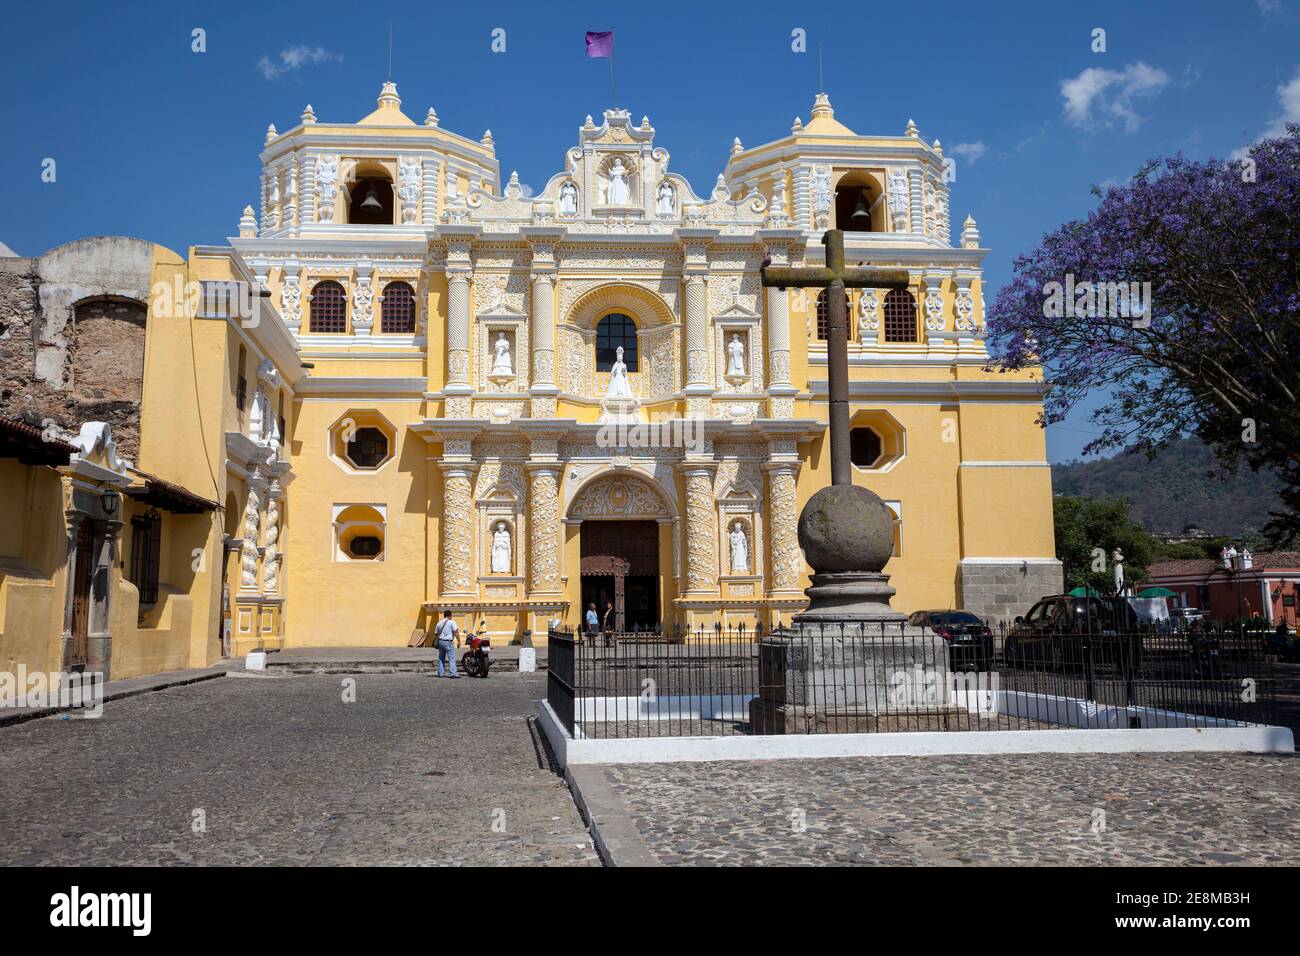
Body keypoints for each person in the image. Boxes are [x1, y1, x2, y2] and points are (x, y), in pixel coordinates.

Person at [434, 610, 460, 678]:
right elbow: (456, 632)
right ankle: (453, 673)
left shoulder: (439, 623)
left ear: (444, 615)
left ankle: (441, 673)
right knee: (451, 657)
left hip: (441, 641)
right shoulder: (452, 622)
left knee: (441, 657)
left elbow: (436, 633)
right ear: (450, 615)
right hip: (448, 642)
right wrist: (459, 641)